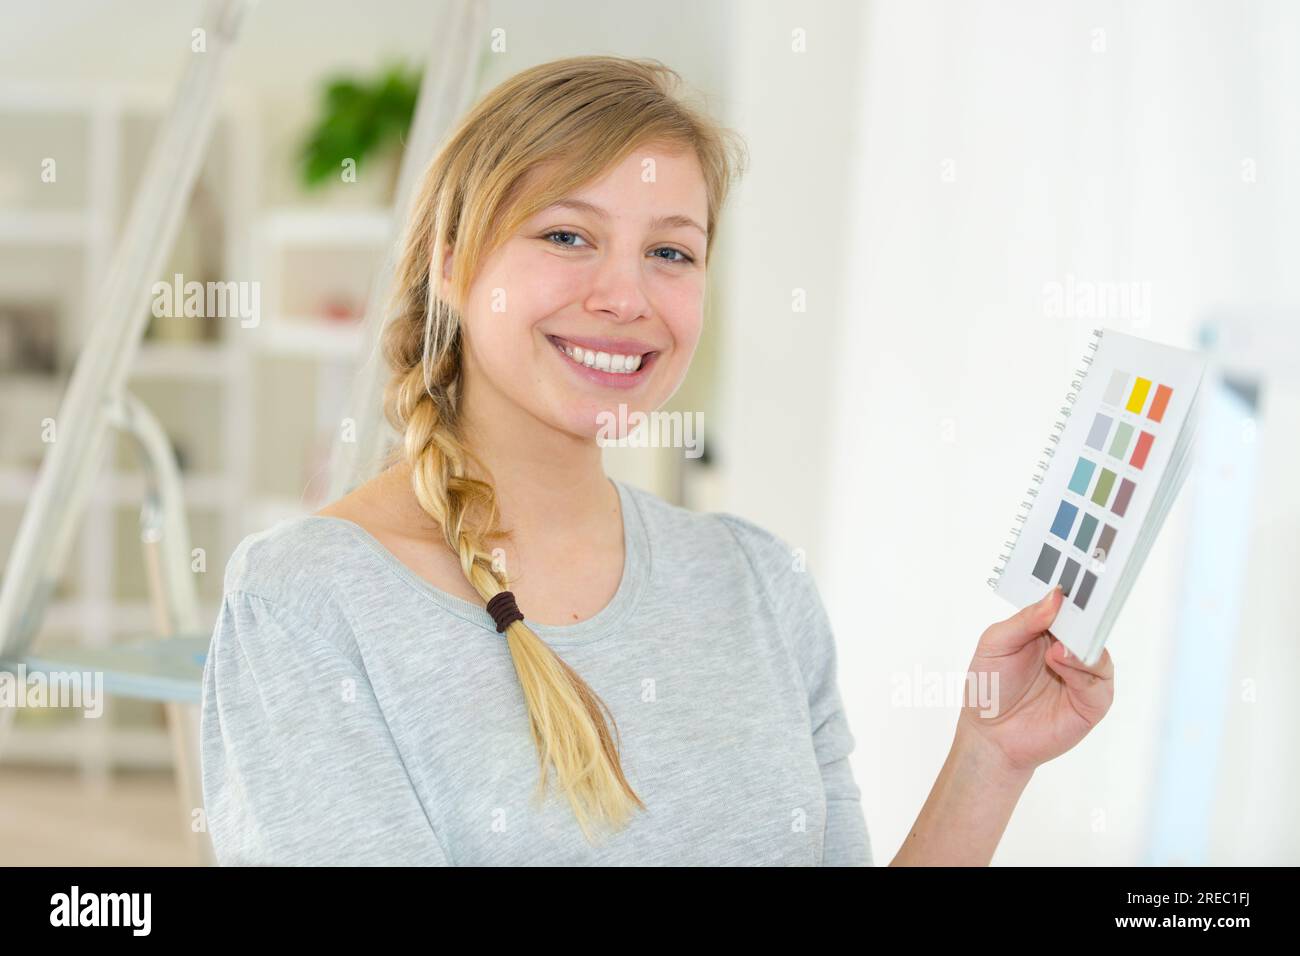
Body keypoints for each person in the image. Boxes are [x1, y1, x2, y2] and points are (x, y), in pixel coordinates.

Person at [199, 55, 1114, 866]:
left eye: (670, 251)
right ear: (451, 262)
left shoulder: (757, 582)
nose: (625, 296)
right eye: (567, 236)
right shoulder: (306, 602)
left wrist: (989, 759)